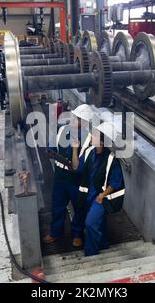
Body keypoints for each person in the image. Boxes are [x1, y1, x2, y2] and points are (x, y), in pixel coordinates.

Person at [42, 104, 94, 248]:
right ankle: (55, 232)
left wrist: (75, 151)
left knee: (79, 208)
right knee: (57, 206)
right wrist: (49, 150)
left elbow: (80, 167)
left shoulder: (89, 140)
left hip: (77, 181)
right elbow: (52, 146)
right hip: (60, 178)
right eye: (73, 116)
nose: (72, 119)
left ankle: (77, 234)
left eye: (76, 118)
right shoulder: (61, 130)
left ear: (84, 122)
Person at [72, 122, 125, 256]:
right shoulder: (90, 152)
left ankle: (91, 254)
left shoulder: (111, 159)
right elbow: (77, 168)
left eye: (94, 135)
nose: (91, 136)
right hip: (87, 196)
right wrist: (74, 149)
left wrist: (102, 195)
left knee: (90, 223)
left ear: (101, 142)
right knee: (98, 224)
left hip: (100, 199)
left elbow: (115, 182)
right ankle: (104, 245)